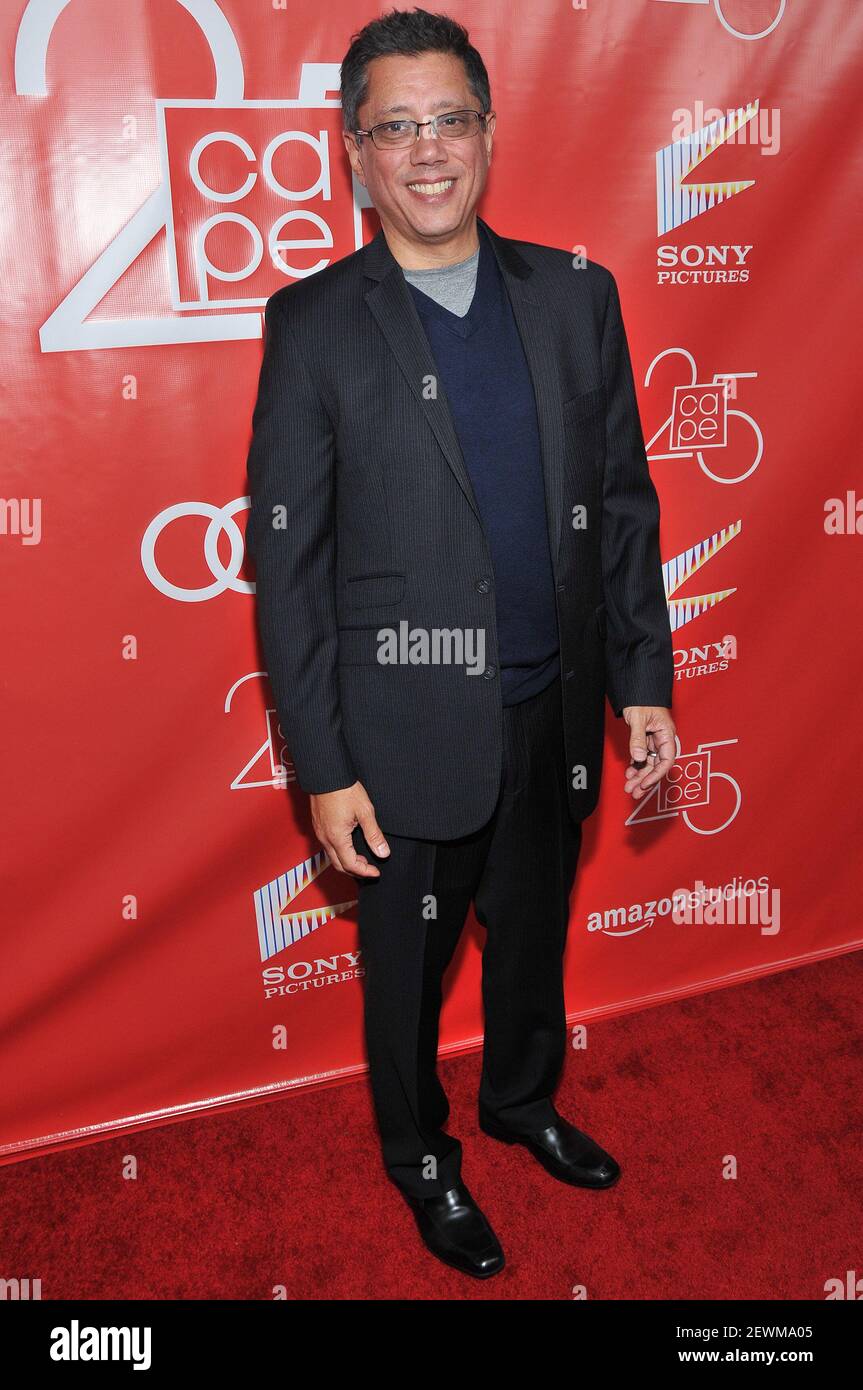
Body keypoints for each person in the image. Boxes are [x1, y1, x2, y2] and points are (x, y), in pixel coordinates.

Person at [246, 7, 677, 1279]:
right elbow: (291, 564)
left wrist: (641, 680)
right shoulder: (314, 322)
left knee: (532, 941)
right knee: (405, 977)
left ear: (487, 134)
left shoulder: (576, 296)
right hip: (400, 736)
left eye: (449, 120)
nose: (425, 150)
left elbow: (627, 501)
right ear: (352, 153)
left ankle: (521, 1100)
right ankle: (420, 1159)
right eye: (395, 126)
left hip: (552, 710)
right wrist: (321, 766)